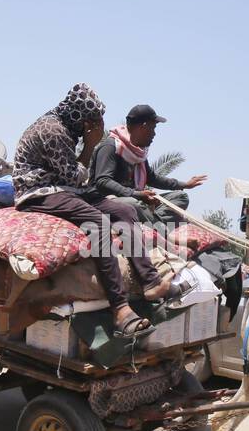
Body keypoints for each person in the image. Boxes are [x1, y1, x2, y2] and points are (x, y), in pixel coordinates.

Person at [12, 83, 174, 335]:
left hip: (65, 188)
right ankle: (120, 308)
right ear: (81, 117)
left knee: (124, 212)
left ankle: (150, 281)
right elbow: (75, 175)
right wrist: (90, 144)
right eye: (93, 122)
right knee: (98, 222)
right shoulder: (53, 130)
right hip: (39, 192)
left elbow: (75, 177)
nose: (96, 128)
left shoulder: (66, 128)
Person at [89, 103, 207, 225]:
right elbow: (103, 181)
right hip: (107, 201)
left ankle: (152, 221)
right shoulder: (111, 146)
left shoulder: (138, 152)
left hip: (134, 199)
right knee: (133, 204)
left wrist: (184, 184)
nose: (154, 134)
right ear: (143, 127)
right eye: (153, 128)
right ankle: (159, 226)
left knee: (180, 197)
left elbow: (152, 178)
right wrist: (136, 194)